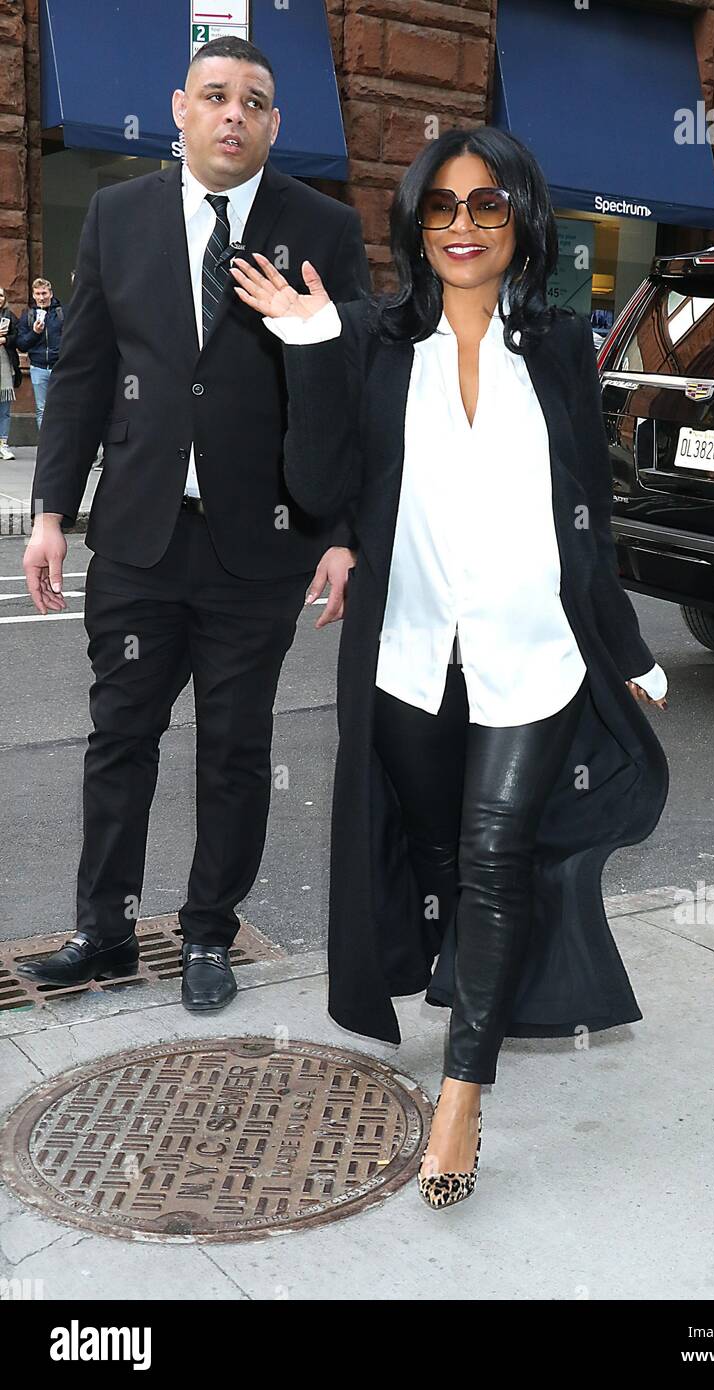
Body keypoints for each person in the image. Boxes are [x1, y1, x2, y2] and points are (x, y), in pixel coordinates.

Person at [231, 125, 670, 1207]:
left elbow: (585, 518)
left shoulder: (562, 345)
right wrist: (305, 345)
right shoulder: (374, 337)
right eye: (440, 207)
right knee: (433, 847)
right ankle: (466, 966)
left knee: (489, 855)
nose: (461, 227)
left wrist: (619, 644)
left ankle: (461, 1097)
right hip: (413, 655)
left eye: (484, 206)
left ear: (519, 221)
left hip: (530, 652)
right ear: (415, 223)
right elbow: (319, 474)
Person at [20, 37, 369, 1011]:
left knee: (235, 745)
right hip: (138, 536)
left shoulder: (324, 230)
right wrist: (51, 511)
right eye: (214, 96)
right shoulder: (117, 216)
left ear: (273, 124)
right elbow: (84, 373)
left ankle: (209, 931)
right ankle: (103, 927)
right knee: (118, 736)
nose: (232, 115)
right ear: (179, 107)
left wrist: (339, 531)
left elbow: (346, 395)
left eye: (253, 102)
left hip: (258, 546)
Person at [16, 278, 63, 429]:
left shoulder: (61, 313)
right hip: (38, 367)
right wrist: (35, 333)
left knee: (62, 407)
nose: (41, 297)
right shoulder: (28, 316)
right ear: (34, 295)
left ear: (51, 293)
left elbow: (72, 338)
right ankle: (46, 448)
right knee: (42, 409)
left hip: (60, 367)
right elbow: (21, 345)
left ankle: (61, 446)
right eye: (38, 294)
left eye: (44, 293)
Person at [0, 286, 21, 459]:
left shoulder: (9, 316)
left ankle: (3, 444)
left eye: (0, 295)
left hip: (6, 370)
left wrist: (6, 339)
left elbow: (19, 339)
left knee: (5, 411)